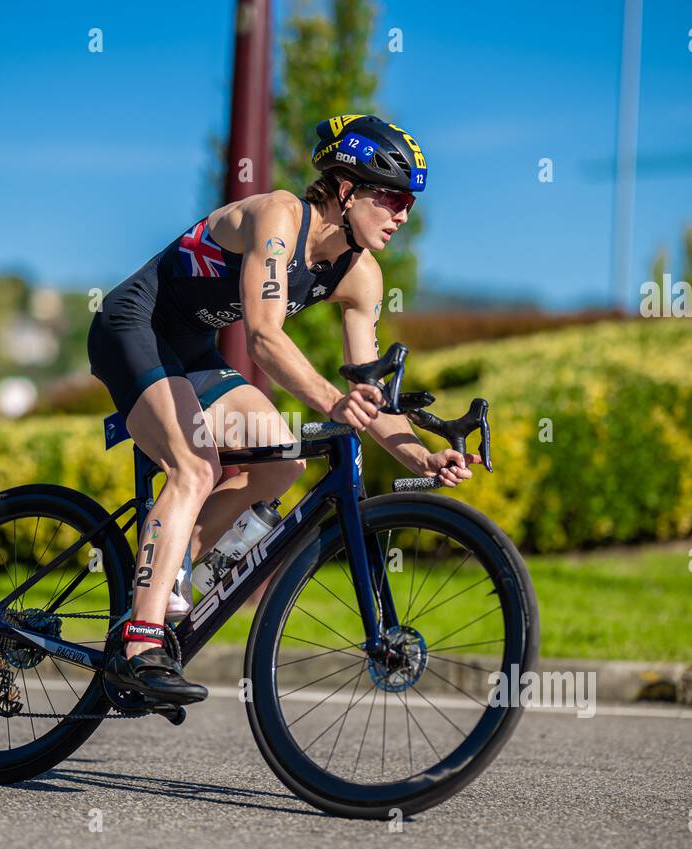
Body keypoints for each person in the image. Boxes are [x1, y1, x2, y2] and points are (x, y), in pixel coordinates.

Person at [87, 114, 481, 706]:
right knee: (194, 467)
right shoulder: (278, 217)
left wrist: (421, 456)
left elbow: (368, 394)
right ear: (346, 189)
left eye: (411, 204)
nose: (403, 215)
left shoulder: (362, 276)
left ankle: (167, 578)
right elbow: (264, 340)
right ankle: (139, 644)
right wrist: (333, 402)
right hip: (133, 326)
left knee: (281, 463)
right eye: (393, 198)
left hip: (191, 351)